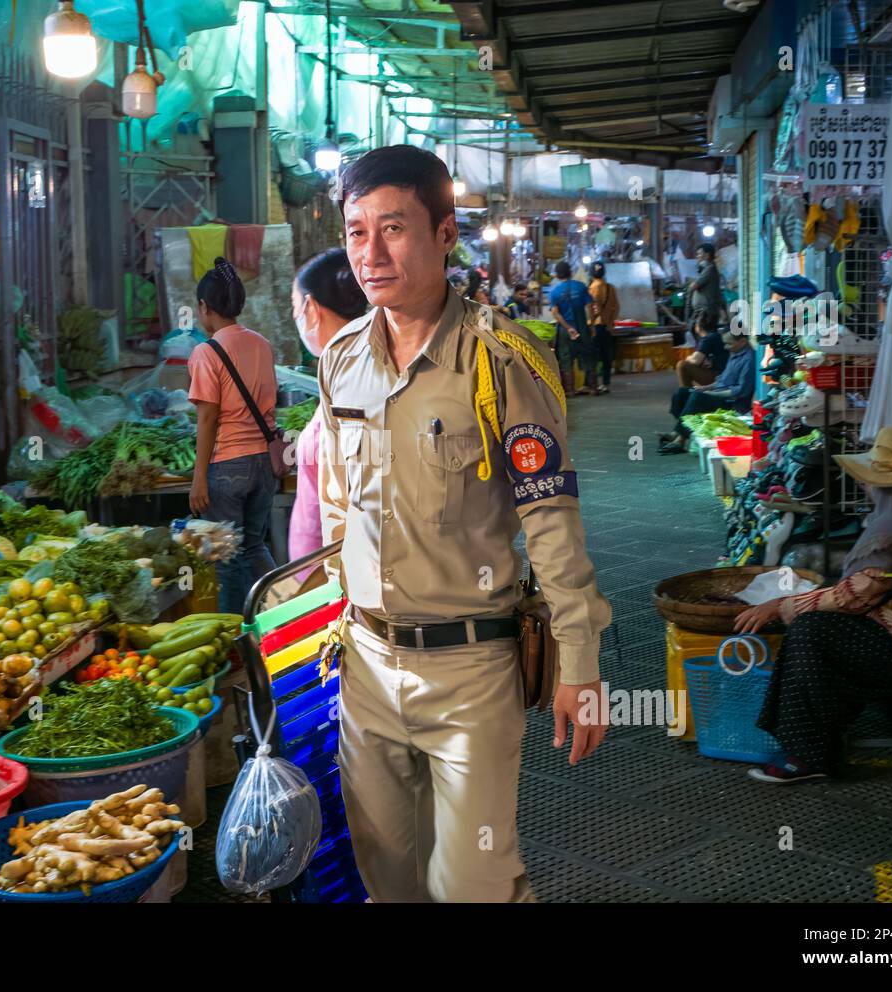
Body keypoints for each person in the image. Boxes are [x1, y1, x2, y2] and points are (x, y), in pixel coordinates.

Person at [319, 144, 610, 903]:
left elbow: (550, 517)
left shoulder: (501, 358)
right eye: (355, 232)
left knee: (474, 885)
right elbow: (336, 504)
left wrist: (580, 661)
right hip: (366, 669)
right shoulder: (340, 358)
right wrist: (332, 613)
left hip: (471, 673)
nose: (371, 253)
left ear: (447, 232)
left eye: (394, 228)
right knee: (389, 881)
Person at [733, 426, 892, 783]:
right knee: (819, 625)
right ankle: (818, 731)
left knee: (811, 632)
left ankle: (809, 755)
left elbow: (853, 596)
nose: (867, 485)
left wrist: (780, 607)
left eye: (871, 479)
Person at [186, 258, 280, 614]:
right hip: (263, 464)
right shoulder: (261, 344)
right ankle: (291, 616)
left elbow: (208, 418)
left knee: (229, 560)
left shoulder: (205, 353)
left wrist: (199, 479)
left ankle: (236, 642)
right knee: (253, 547)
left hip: (228, 467)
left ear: (205, 307)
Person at [288, 248, 369, 567]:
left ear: (310, 308)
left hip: (331, 575)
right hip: (319, 567)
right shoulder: (342, 369)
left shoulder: (352, 378)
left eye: (295, 307)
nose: (297, 316)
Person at [658, 328, 755, 454]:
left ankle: (680, 439)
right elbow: (722, 380)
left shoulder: (749, 359)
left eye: (729, 344)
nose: (726, 347)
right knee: (681, 393)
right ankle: (680, 431)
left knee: (698, 398)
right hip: (719, 393)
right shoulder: (734, 353)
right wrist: (707, 388)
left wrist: (712, 394)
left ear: (742, 342)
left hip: (732, 402)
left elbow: (741, 391)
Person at [546, 260, 594, 395]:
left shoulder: (554, 291)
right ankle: (592, 387)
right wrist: (591, 324)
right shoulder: (581, 287)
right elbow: (590, 307)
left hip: (564, 330)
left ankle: (570, 390)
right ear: (570, 272)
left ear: (557, 275)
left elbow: (555, 313)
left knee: (566, 359)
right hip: (582, 326)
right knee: (588, 355)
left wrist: (568, 328)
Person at [586, 261, 619, 395]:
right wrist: (610, 323)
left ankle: (593, 384)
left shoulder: (592, 287)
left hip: (596, 325)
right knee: (606, 356)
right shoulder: (611, 287)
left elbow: (593, 308)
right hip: (607, 327)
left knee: (593, 355)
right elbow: (616, 307)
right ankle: (605, 383)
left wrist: (592, 324)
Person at [675, 309, 727, 388]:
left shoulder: (708, 338)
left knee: (682, 365)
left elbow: (696, 360)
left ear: (698, 326)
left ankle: (685, 394)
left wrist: (689, 357)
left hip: (719, 376)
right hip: (720, 373)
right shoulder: (715, 335)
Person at [686, 242, 724, 329]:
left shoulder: (709, 269)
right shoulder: (705, 269)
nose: (697, 256)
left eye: (699, 254)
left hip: (706, 313)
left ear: (707, 255)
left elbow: (694, 286)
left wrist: (692, 281)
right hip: (703, 312)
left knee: (704, 335)